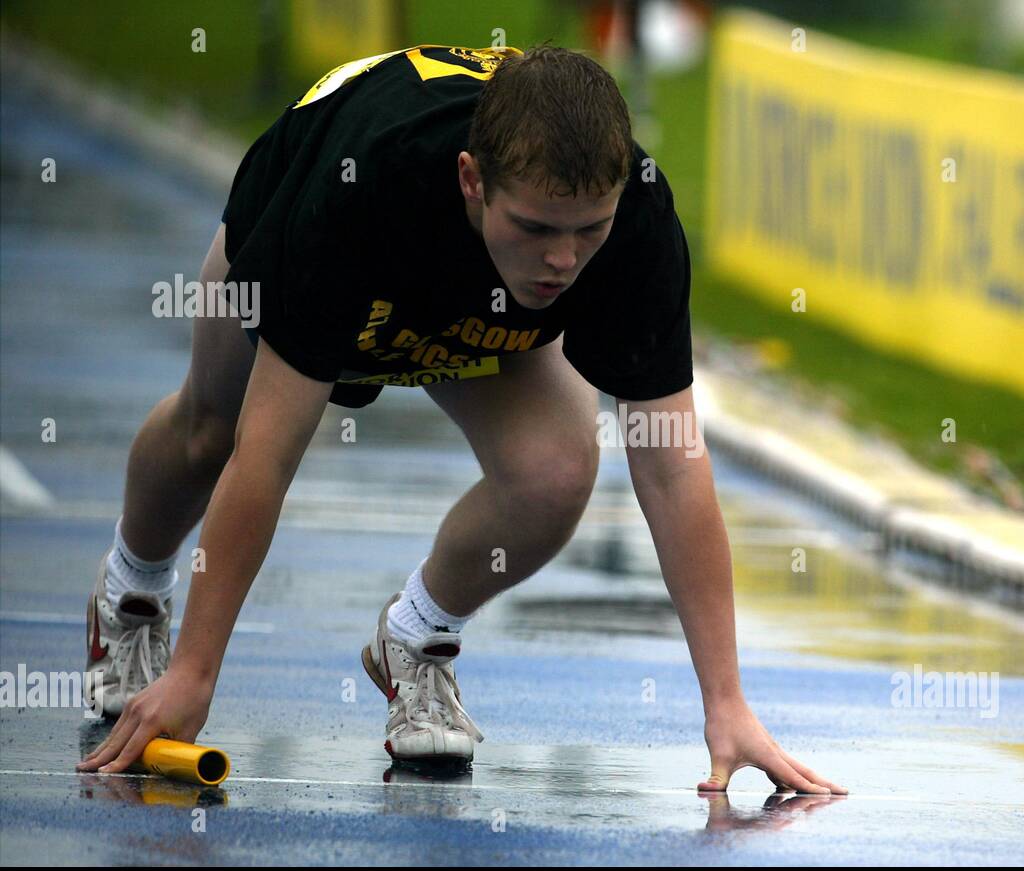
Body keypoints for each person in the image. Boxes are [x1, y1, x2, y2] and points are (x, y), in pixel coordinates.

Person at [76, 42, 845, 796]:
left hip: (479, 310)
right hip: (325, 239)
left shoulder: (636, 220)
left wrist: (727, 703)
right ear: (472, 183)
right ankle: (131, 590)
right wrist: (194, 674)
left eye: (590, 231)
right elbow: (266, 456)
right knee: (209, 431)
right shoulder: (364, 185)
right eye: (538, 229)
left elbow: (673, 466)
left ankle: (415, 637)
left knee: (558, 470)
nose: (564, 262)